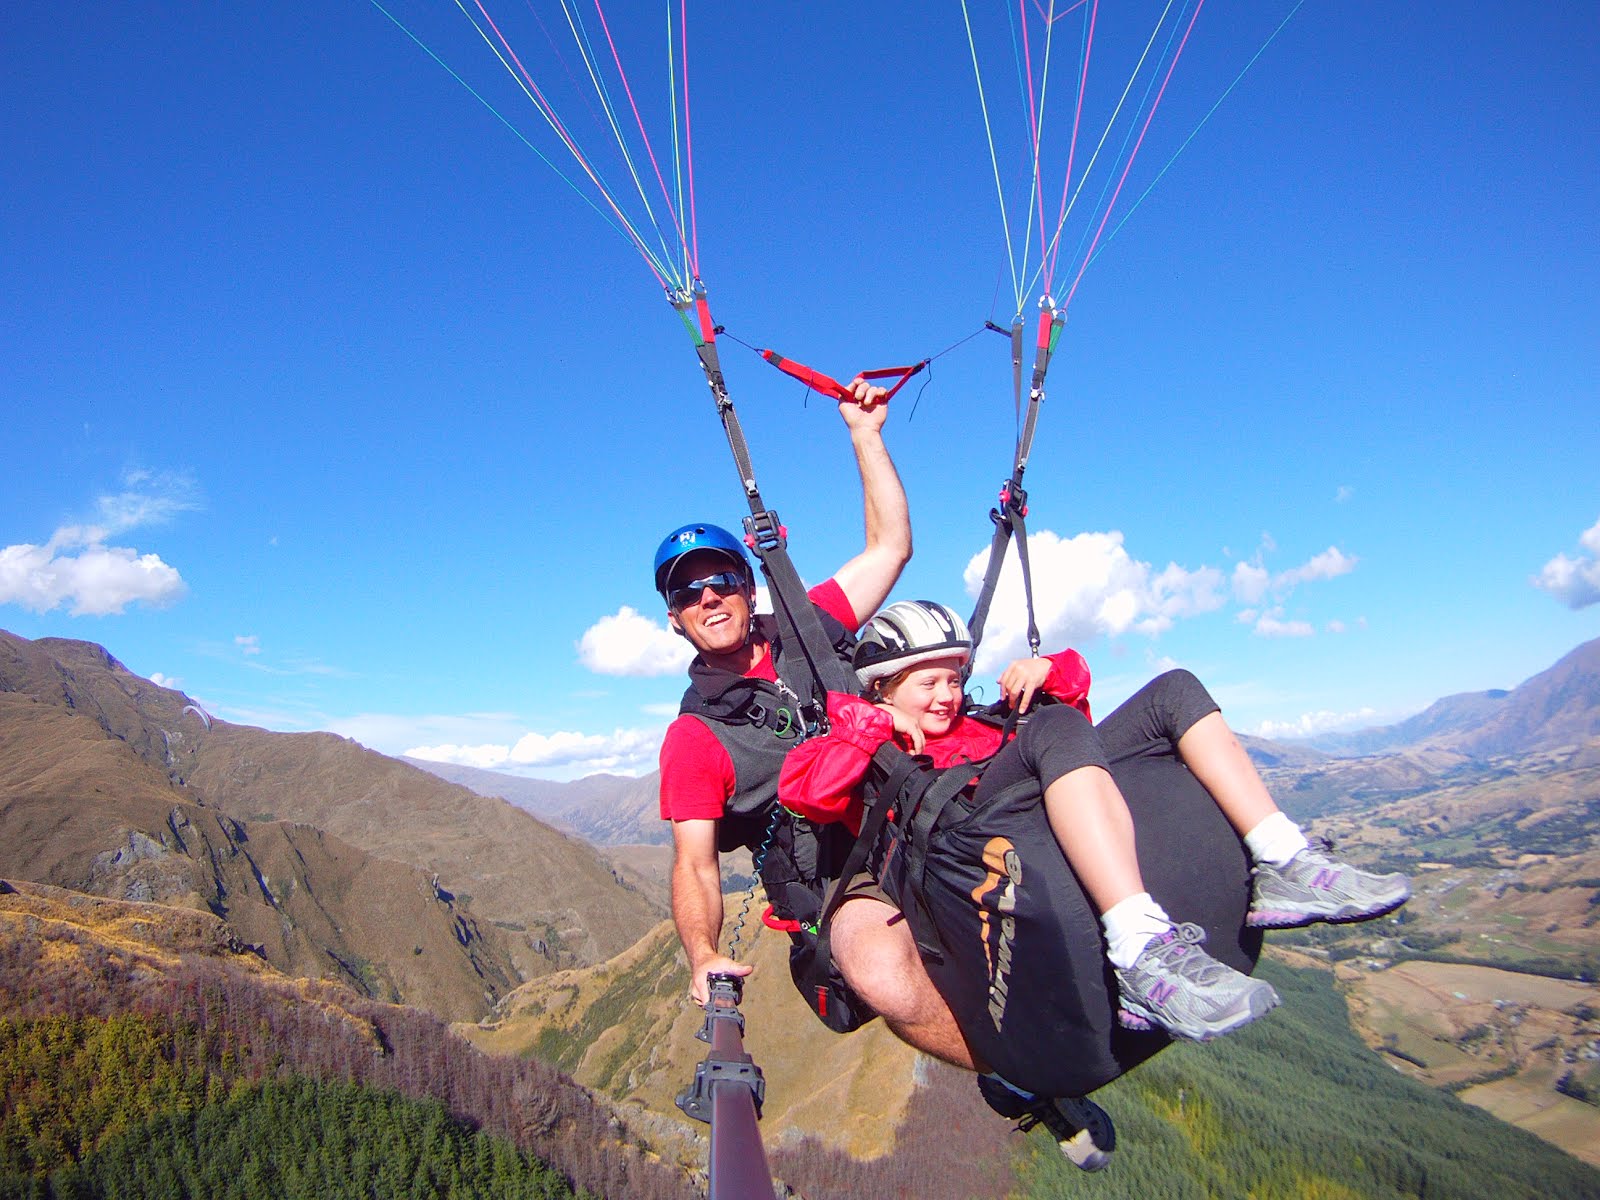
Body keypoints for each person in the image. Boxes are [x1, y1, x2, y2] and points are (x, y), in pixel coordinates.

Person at [778, 601, 1411, 1158]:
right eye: (929, 682)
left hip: (1029, 828)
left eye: (955, 678)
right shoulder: (859, 743)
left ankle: (1283, 857)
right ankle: (1139, 947)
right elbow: (806, 791)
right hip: (969, 837)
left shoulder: (983, 724)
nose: (947, 694)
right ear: (883, 686)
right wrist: (872, 729)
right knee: (1052, 728)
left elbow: (1076, 727)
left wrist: (1052, 672)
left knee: (1172, 691)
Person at [655, 383, 974, 1073]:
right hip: (838, 878)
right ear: (675, 619)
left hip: (915, 809)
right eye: (687, 593)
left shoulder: (808, 625)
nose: (708, 597)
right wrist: (702, 951)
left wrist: (865, 434)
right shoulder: (696, 738)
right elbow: (695, 864)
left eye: (722, 581)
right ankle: (1012, 1066)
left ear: (748, 585)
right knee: (885, 977)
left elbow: (890, 548)